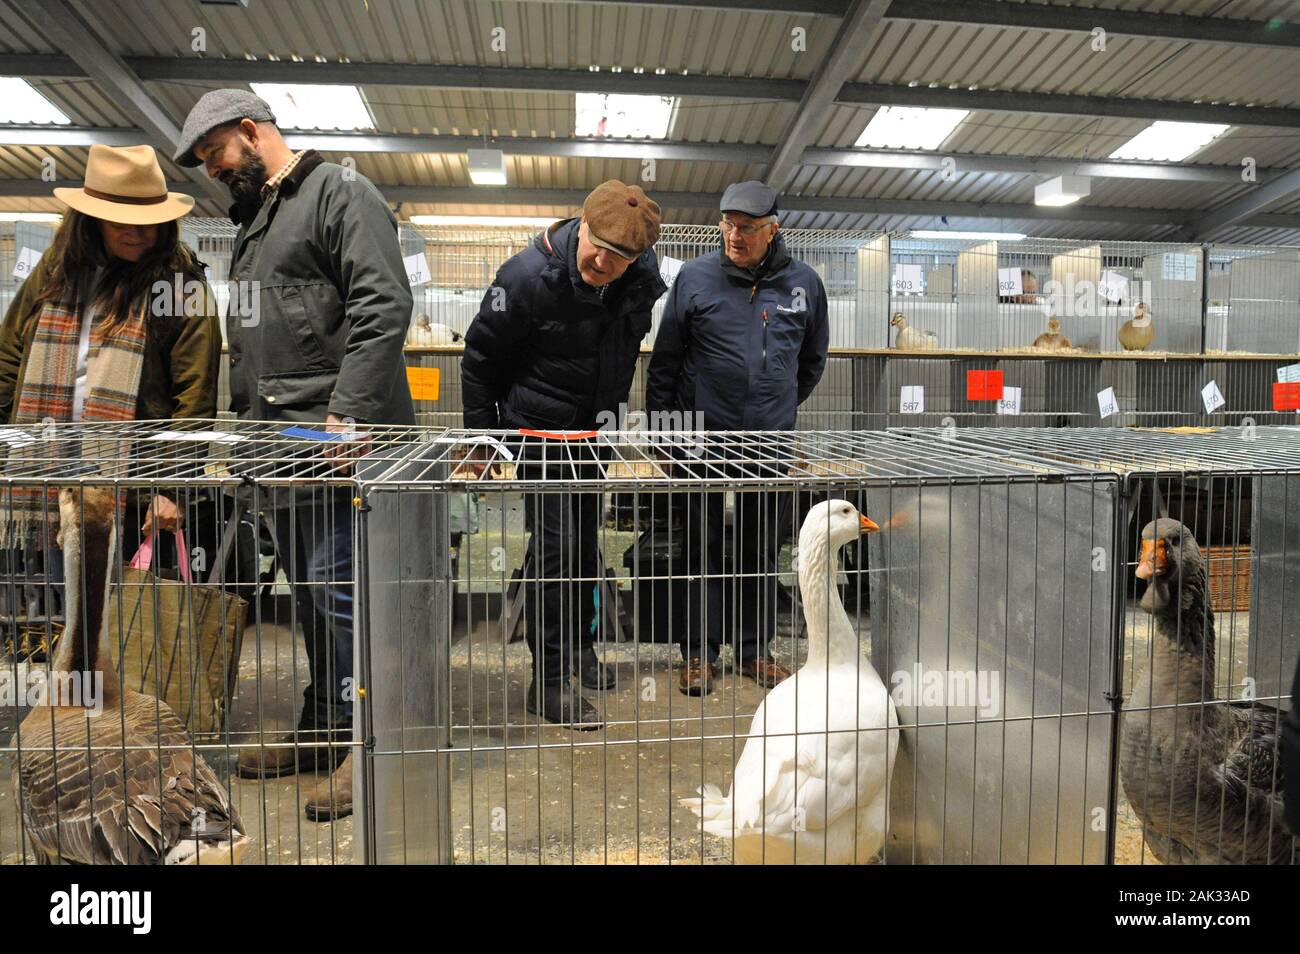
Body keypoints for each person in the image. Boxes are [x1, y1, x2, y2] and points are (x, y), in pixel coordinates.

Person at [175, 89, 415, 820]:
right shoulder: (256, 220)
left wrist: (349, 414)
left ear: (250, 133)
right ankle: (325, 728)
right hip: (280, 446)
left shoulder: (339, 193)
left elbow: (384, 304)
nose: (213, 171)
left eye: (215, 154)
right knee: (313, 598)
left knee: (345, 599)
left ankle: (371, 746)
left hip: (335, 441)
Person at [461, 180, 666, 728]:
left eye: (621, 255)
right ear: (583, 223)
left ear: (639, 256)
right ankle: (547, 683)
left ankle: (579, 649)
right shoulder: (525, 278)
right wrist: (484, 439)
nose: (604, 260)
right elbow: (479, 359)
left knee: (582, 548)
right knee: (556, 554)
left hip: (594, 433)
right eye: (598, 244)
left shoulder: (641, 282)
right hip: (540, 433)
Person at [0, 143, 220, 600]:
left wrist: (172, 487)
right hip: (53, 469)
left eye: (148, 223)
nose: (138, 233)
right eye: (121, 221)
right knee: (66, 601)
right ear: (90, 220)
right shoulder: (56, 271)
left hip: (133, 478)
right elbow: (9, 354)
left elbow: (195, 393)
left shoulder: (183, 283)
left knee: (126, 613)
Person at [646, 180, 828, 695]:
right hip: (700, 437)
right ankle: (698, 653)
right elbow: (665, 362)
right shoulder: (695, 278)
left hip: (767, 439)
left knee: (759, 545)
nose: (734, 235)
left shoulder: (804, 285)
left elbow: (811, 363)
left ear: (773, 229)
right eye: (727, 224)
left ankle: (753, 649)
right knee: (698, 546)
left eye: (746, 228)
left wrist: (778, 404)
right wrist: (663, 434)